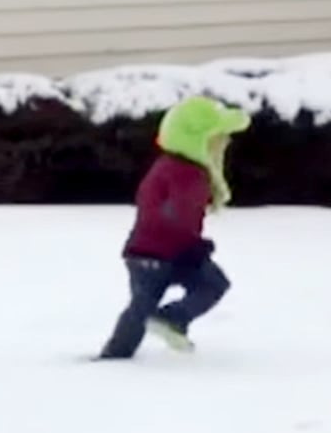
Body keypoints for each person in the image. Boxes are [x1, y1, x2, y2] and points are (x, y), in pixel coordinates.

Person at [96, 95, 251, 359]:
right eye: (220, 137)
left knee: (147, 304)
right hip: (161, 253)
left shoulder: (172, 167)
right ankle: (157, 328)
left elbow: (162, 207)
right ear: (199, 139)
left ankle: (137, 340)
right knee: (206, 287)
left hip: (153, 251)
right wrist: (195, 247)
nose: (226, 142)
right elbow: (176, 215)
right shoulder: (186, 173)